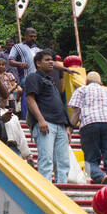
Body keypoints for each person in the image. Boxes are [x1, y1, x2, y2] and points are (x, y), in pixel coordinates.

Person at [23, 50, 71, 183]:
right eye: (47, 60)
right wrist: (40, 120)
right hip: (45, 124)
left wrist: (66, 127)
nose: (51, 62)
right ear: (38, 63)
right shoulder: (33, 77)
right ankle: (46, 192)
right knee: (46, 160)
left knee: (63, 162)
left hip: (60, 125)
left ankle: (63, 190)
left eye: (52, 60)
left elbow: (60, 105)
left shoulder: (51, 81)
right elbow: (30, 99)